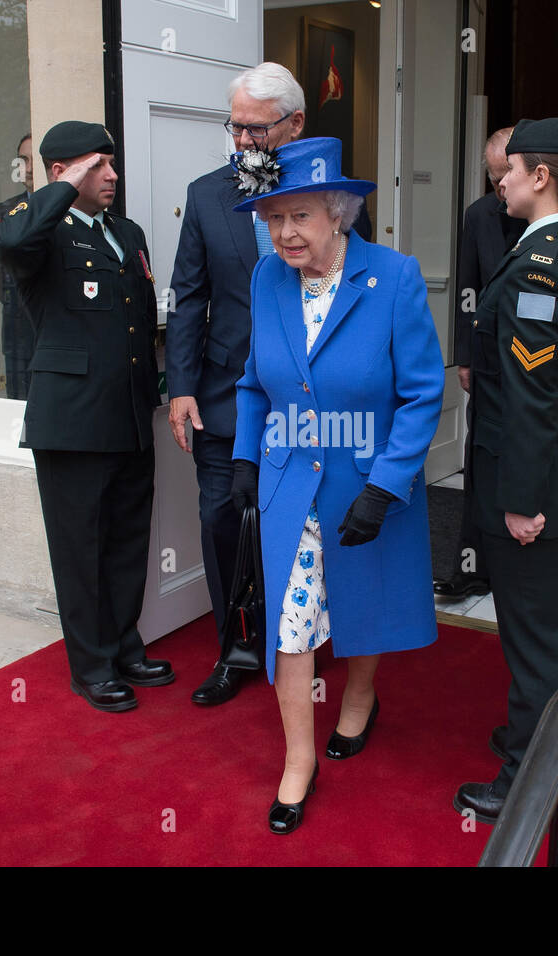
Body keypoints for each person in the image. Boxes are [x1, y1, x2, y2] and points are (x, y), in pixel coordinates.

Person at [229, 137, 443, 833]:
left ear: (338, 213)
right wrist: (244, 458)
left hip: (366, 483)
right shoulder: (266, 279)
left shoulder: (394, 277)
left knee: (363, 599)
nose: (285, 234)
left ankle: (361, 699)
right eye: (273, 219)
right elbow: (252, 381)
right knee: (290, 630)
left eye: (299, 217)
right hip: (292, 482)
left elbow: (420, 393)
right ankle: (298, 761)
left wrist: (385, 486)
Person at [168, 63, 372, 707]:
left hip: (313, 403)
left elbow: (353, 291)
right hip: (227, 399)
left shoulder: (335, 196)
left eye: (256, 128)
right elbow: (188, 299)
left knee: (310, 520)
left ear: (296, 124)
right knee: (223, 521)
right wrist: (181, 387)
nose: (243, 140)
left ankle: (312, 636)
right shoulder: (205, 196)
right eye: (236, 127)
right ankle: (238, 648)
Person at [452, 118, 558, 824]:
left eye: (510, 171)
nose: (502, 183)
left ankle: (528, 781)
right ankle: (533, 737)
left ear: (540, 176)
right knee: (546, 629)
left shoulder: (540, 267)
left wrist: (519, 501)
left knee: (537, 642)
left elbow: (531, 396)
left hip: (534, 489)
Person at [0, 120, 172, 713]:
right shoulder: (39, 228)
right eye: (99, 166)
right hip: (71, 420)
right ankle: (90, 665)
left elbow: (138, 319)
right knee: (80, 548)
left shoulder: (127, 232)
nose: (113, 176)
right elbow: (13, 245)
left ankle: (124, 646)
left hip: (126, 411)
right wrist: (61, 189)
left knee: (126, 540)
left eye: (111, 164)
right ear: (62, 172)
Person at [434, 126, 524, 606]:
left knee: (522, 466)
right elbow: (467, 289)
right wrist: (464, 358)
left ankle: (514, 568)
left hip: (531, 366)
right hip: (487, 362)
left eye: (506, 176)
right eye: (492, 179)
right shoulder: (478, 215)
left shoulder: (546, 218)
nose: (500, 189)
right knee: (479, 468)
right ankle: (471, 569)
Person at [0, 133, 38, 399]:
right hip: (19, 331)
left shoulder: (71, 210)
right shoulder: (0, 212)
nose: (29, 167)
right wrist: (20, 299)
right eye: (23, 159)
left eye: (34, 158)